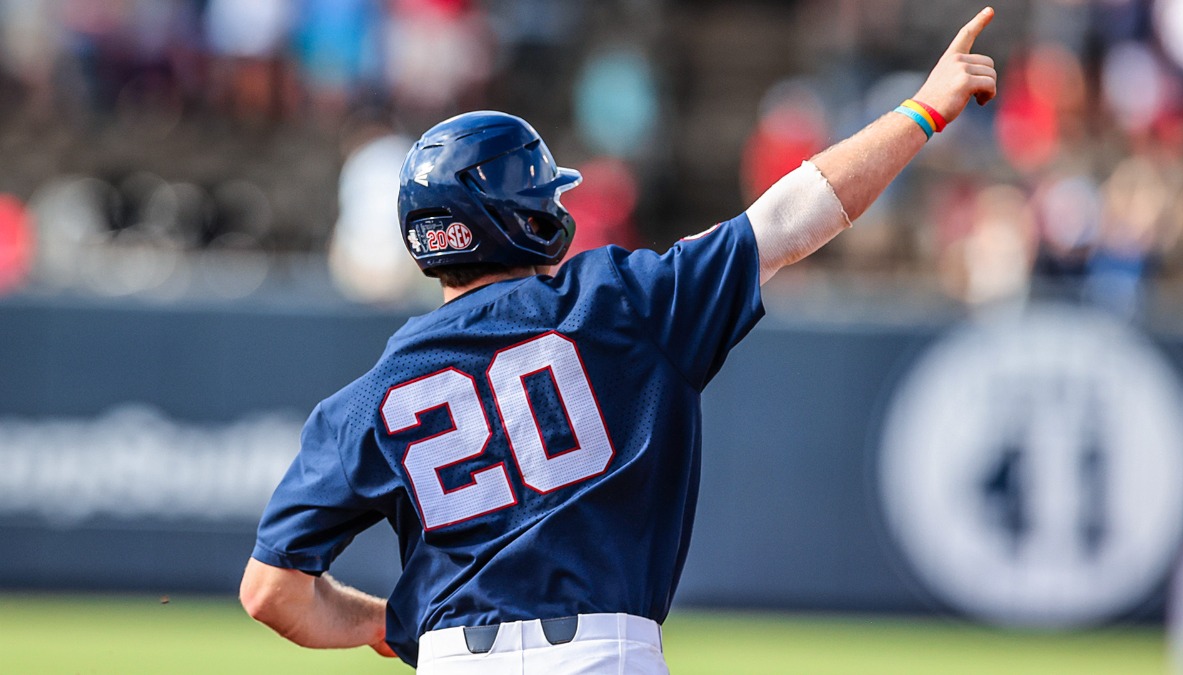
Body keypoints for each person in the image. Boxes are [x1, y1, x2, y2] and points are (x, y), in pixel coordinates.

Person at [239, 7, 998, 673]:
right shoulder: (617, 299)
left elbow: (271, 591)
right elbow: (793, 216)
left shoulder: (370, 395)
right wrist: (924, 111)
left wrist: (387, 621)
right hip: (601, 654)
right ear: (523, 216)